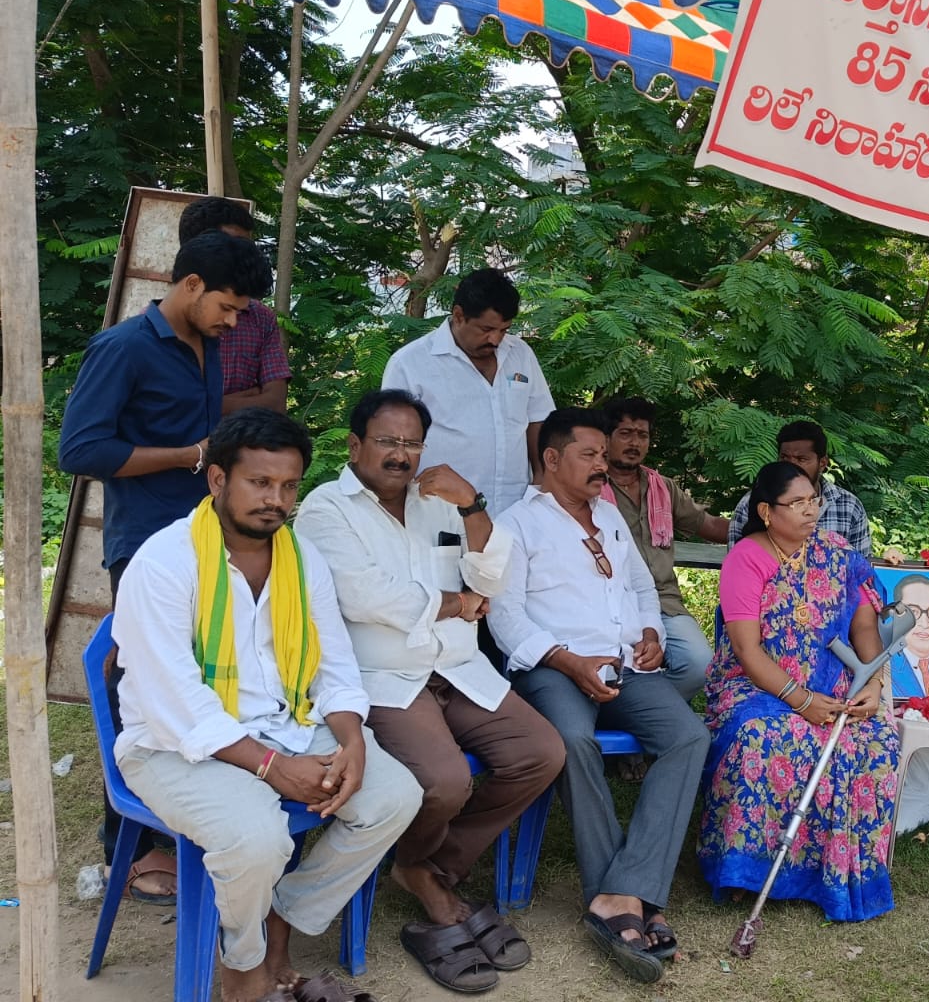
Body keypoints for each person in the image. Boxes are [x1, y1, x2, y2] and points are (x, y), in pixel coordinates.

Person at [110, 409, 423, 1002]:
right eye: (259, 482)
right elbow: (173, 700)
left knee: (393, 797)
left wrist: (353, 740)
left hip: (289, 725)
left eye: (288, 486)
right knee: (258, 838)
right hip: (172, 745)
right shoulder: (164, 562)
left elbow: (333, 664)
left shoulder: (302, 559)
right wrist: (272, 769)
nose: (275, 499)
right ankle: (244, 966)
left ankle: (282, 920)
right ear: (218, 480)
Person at [295, 389, 565, 992]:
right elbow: (363, 595)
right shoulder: (324, 508)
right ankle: (422, 874)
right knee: (444, 782)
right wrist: (453, 603)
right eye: (388, 442)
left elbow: (492, 574)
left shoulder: (438, 501)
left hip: (460, 667)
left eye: (412, 443)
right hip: (386, 677)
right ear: (355, 445)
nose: (401, 455)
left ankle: (428, 867)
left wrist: (472, 505)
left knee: (541, 754)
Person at [59, 230, 274, 901]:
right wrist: (187, 455)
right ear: (189, 285)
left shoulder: (205, 347)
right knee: (138, 688)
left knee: (200, 682)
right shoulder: (122, 348)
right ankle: (129, 842)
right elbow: (81, 449)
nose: (235, 323)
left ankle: (201, 825)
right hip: (145, 544)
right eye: (230, 308)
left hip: (207, 541)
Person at [488, 408, 709, 985]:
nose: (602, 466)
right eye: (589, 455)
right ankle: (621, 896)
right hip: (553, 667)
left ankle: (622, 890)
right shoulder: (516, 525)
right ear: (552, 459)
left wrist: (651, 633)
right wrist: (566, 660)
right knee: (571, 741)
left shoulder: (609, 515)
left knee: (689, 737)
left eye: (603, 456)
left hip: (625, 664)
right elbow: (505, 618)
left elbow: (640, 585)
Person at [699, 461, 900, 921]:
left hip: (833, 685)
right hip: (755, 687)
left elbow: (864, 625)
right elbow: (747, 651)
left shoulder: (839, 554)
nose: (811, 512)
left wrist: (871, 681)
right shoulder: (746, 559)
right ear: (767, 511)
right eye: (798, 504)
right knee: (765, 738)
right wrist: (801, 701)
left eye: (814, 501)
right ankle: (746, 872)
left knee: (876, 740)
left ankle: (839, 871)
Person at [381, 267, 555, 517]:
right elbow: (392, 443)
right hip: (441, 515)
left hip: (516, 511)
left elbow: (539, 419)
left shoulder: (521, 353)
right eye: (486, 330)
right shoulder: (409, 363)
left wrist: (541, 481)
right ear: (459, 315)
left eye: (503, 330)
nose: (495, 340)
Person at [600, 396, 729, 699]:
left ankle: (647, 717)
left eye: (642, 435)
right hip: (611, 601)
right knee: (622, 666)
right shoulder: (590, 486)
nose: (635, 442)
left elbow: (706, 525)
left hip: (664, 601)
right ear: (605, 438)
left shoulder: (662, 487)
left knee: (699, 664)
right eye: (625, 433)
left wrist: (763, 524)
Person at [178, 196, 291, 414]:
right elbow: (169, 411)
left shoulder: (261, 317)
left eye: (248, 246)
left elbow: (276, 405)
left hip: (241, 445)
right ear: (200, 248)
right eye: (234, 246)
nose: (246, 256)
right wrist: (245, 399)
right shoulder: (156, 330)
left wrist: (206, 405)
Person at [726, 421, 870, 553]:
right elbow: (738, 559)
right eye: (784, 457)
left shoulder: (849, 506)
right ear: (765, 511)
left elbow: (862, 571)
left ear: (822, 463)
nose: (791, 465)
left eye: (802, 459)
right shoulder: (753, 502)